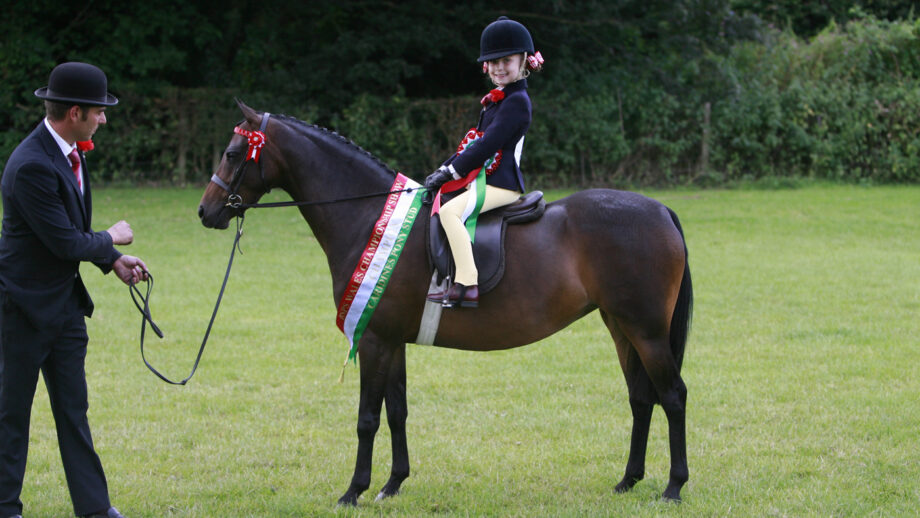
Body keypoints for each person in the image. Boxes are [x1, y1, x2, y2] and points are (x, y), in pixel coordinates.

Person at [0, 62, 148, 518]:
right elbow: (65, 240)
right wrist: (111, 238)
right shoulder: (30, 165)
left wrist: (112, 262)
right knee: (10, 419)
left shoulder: (72, 152)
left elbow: (66, 230)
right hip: (21, 310)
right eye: (99, 111)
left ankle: (95, 510)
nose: (104, 119)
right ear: (76, 112)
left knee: (73, 413)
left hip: (64, 308)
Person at [425, 16, 544, 308]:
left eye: (507, 60)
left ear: (524, 61)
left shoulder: (516, 101)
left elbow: (488, 144)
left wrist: (453, 170)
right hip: (484, 179)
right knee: (442, 201)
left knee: (451, 213)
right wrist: (443, 169)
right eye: (494, 62)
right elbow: (473, 142)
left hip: (502, 184)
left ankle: (467, 283)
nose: (500, 67)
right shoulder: (498, 99)